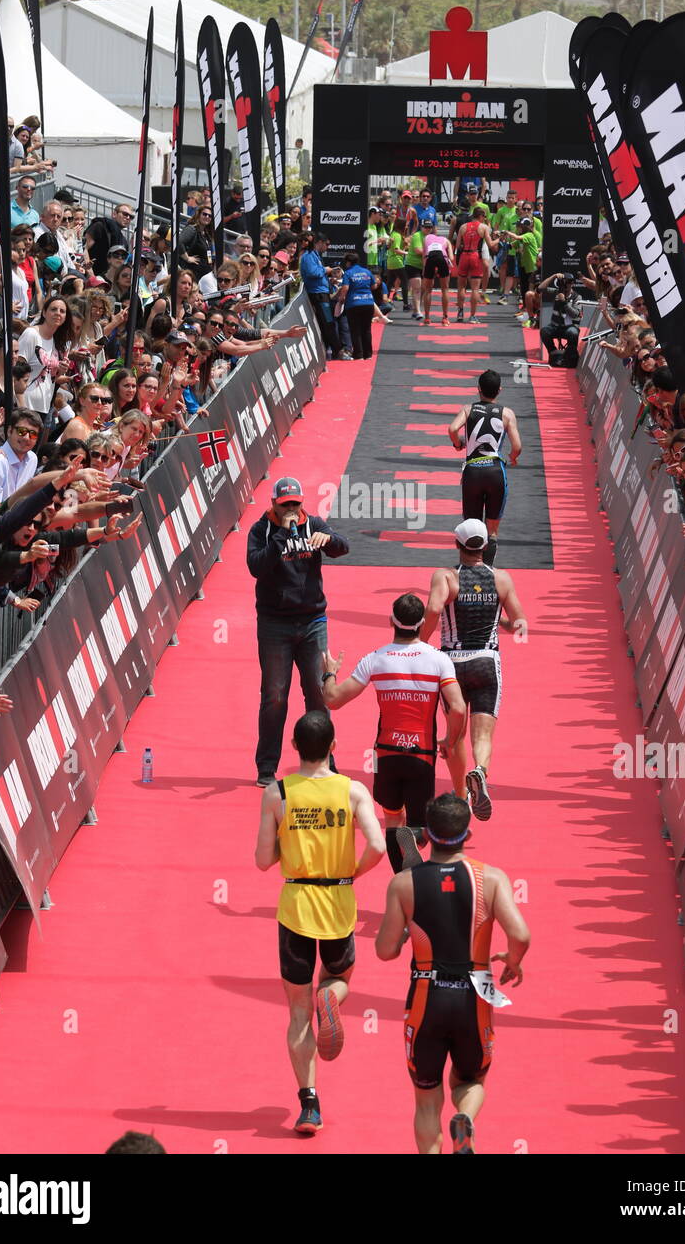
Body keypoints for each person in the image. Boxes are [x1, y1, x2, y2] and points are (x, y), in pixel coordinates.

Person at [375, 792, 530, 1154]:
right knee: (470, 1079)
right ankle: (467, 1119)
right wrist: (513, 959)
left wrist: (404, 931)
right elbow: (520, 935)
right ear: (467, 834)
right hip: (475, 992)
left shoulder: (403, 884)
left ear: (427, 832)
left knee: (426, 1098)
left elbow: (384, 952)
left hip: (426, 995)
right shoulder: (491, 878)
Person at [254, 710, 385, 1135]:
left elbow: (261, 861)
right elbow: (379, 847)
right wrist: (351, 872)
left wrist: (287, 838)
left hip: (295, 904)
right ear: (333, 746)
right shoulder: (353, 791)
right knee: (339, 976)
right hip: (338, 903)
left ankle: (309, 1105)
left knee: (296, 1012)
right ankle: (331, 996)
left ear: (293, 748)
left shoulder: (278, 793)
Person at [322, 593, 467, 873]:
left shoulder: (376, 659)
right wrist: (450, 741)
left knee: (391, 819)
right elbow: (459, 708)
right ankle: (416, 843)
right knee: (418, 827)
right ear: (423, 623)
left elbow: (333, 700)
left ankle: (403, 882)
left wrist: (330, 673)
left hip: (385, 753)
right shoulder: (438, 660)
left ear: (391, 621)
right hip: (422, 756)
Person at [420, 518, 528, 821]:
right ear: (485, 546)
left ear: (457, 545)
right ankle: (479, 771)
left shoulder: (446, 577)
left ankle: (460, 795)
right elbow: (519, 624)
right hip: (486, 660)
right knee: (483, 735)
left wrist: (421, 643)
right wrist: (499, 621)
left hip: (451, 664)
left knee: (454, 734)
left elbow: (432, 609)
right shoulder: (501, 579)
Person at [246, 476, 349, 787]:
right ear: (274, 503)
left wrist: (328, 541)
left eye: (295, 504)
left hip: (312, 622)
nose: (291, 509)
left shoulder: (314, 524)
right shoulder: (261, 530)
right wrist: (279, 538)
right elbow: (255, 567)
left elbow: (343, 548)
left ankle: (323, 761)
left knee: (318, 692)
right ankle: (267, 767)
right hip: (274, 624)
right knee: (275, 696)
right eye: (285, 504)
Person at [449, 369, 521, 566]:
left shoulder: (468, 409)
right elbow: (517, 446)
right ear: (500, 390)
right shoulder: (507, 413)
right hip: (496, 472)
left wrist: (458, 444)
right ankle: (487, 571)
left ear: (478, 389)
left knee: (471, 527)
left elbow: (453, 428)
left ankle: (468, 572)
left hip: (472, 471)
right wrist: (513, 458)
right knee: (492, 530)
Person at [454, 207, 496, 323]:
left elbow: (457, 246)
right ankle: (472, 316)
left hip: (464, 256)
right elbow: (491, 244)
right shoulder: (483, 227)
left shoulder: (463, 227)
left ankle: (460, 312)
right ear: (481, 216)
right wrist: (500, 239)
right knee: (475, 289)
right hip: (475, 256)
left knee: (461, 286)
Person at [334, 251, 376, 361]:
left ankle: (359, 354)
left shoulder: (348, 273)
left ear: (348, 262)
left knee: (355, 330)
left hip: (353, 304)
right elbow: (374, 286)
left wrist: (341, 299)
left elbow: (346, 288)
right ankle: (369, 354)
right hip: (368, 303)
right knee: (366, 329)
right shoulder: (367, 272)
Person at [420, 220, 455, 325]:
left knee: (428, 290)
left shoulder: (426, 238)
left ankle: (427, 317)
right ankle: (445, 318)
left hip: (430, 257)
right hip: (442, 257)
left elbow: (424, 256)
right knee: (445, 289)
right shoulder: (446, 240)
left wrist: (425, 269)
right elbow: (452, 258)